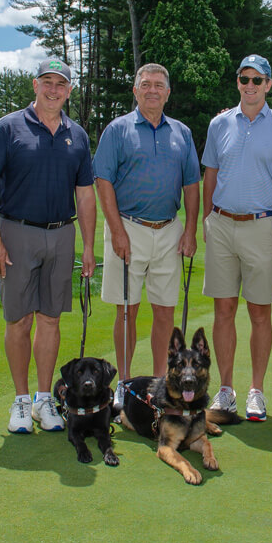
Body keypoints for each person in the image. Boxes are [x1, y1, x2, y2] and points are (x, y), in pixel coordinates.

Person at [0, 59, 96, 435]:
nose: (54, 90)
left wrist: (89, 246)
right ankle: (21, 402)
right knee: (19, 319)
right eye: (48, 82)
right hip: (16, 232)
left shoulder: (78, 135)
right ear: (35, 85)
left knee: (51, 318)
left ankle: (45, 400)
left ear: (69, 90)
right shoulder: (8, 128)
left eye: (61, 84)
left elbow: (86, 195)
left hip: (61, 234)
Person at [202, 54, 272, 422]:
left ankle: (255, 390)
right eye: (244, 79)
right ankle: (225, 389)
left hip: (261, 226)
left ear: (268, 85)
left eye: (257, 80)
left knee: (260, 311)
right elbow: (210, 173)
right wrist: (206, 219)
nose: (250, 86)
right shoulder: (219, 124)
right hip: (223, 224)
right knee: (223, 309)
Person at [93, 63, 200, 395]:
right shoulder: (117, 130)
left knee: (165, 313)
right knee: (127, 310)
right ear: (135, 90)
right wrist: (116, 230)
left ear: (167, 93)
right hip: (128, 226)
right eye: (145, 84)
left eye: (158, 85)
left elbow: (192, 185)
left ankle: (159, 384)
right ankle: (125, 384)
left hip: (170, 229)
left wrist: (190, 231)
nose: (152, 90)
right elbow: (103, 181)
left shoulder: (181, 132)